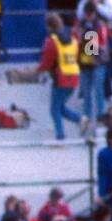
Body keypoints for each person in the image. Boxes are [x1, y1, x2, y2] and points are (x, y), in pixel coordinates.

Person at [38, 12, 82, 140]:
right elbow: (82, 52)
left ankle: (61, 136)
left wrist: (36, 71)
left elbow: (46, 63)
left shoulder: (51, 41)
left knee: (54, 110)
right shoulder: (72, 36)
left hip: (60, 78)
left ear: (49, 26)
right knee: (60, 108)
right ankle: (81, 120)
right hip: (74, 76)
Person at [74, 2, 110, 130]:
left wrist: (89, 42)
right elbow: (75, 39)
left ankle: (100, 118)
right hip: (84, 63)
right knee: (86, 93)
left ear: (95, 13)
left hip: (97, 63)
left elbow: (101, 45)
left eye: (91, 14)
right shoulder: (80, 25)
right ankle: (87, 119)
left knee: (98, 91)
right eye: (87, 14)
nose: (89, 17)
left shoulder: (100, 25)